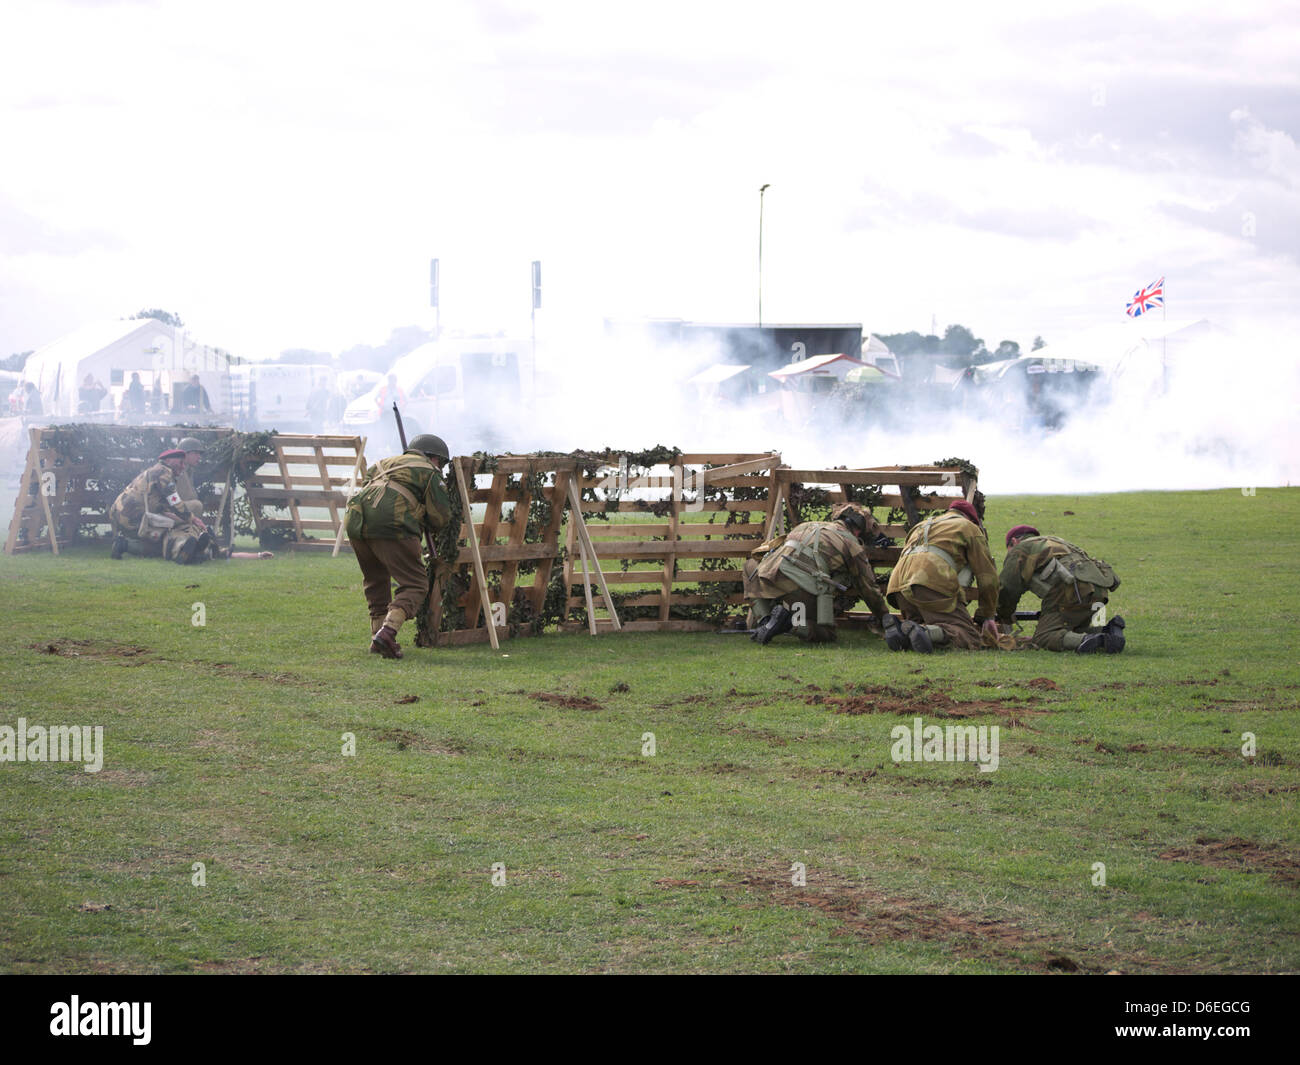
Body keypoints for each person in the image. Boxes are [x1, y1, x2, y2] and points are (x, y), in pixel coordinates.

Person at [345, 433, 453, 659]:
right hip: (393, 524)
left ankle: (377, 637)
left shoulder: (382, 464)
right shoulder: (429, 472)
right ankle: (387, 633)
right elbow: (441, 515)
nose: (440, 467)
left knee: (376, 580)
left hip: (356, 523)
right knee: (415, 584)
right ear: (434, 458)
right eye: (441, 463)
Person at [743, 502, 900, 645]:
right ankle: (790, 624)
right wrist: (884, 617)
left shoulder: (804, 526)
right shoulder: (852, 545)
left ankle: (765, 621)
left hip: (767, 576)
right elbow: (868, 588)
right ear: (859, 530)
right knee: (826, 634)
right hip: (799, 588)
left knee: (750, 566)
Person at [885, 499, 999, 653]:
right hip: (929, 580)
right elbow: (987, 577)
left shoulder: (921, 525)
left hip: (898, 586)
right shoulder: (969, 527)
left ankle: (902, 632)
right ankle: (927, 632)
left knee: (916, 625)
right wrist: (987, 615)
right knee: (968, 634)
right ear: (972, 519)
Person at [997, 525, 1125, 653]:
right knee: (1072, 629)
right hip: (1098, 590)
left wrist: (1003, 615)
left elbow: (1007, 589)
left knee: (1043, 636)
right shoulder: (1054, 542)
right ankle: (1108, 631)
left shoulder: (1020, 549)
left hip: (1073, 589)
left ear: (1013, 542)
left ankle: (1089, 640)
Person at [108, 449, 213, 564]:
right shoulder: (164, 472)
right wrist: (193, 519)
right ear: (168, 460)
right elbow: (175, 501)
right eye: (180, 463)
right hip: (133, 518)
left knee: (158, 541)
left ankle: (123, 544)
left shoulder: (153, 471)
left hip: (119, 516)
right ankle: (186, 549)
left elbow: (157, 502)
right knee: (164, 541)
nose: (183, 467)